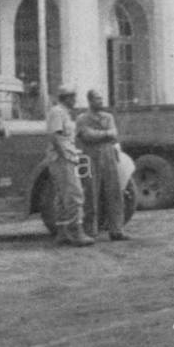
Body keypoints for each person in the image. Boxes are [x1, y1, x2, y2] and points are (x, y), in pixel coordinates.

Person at [76, 89, 129, 242]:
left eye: (101, 98)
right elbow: (86, 135)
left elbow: (114, 133)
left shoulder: (108, 117)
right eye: (97, 99)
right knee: (90, 192)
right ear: (90, 101)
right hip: (89, 156)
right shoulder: (82, 118)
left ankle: (117, 230)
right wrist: (105, 134)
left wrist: (100, 134)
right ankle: (90, 231)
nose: (101, 101)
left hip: (108, 155)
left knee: (114, 192)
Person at [45, 86, 93, 246]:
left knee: (62, 196)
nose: (74, 100)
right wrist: (65, 155)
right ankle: (76, 232)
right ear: (65, 98)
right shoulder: (57, 112)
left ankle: (63, 232)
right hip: (63, 158)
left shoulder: (63, 112)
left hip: (64, 157)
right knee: (74, 194)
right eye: (72, 97)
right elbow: (55, 135)